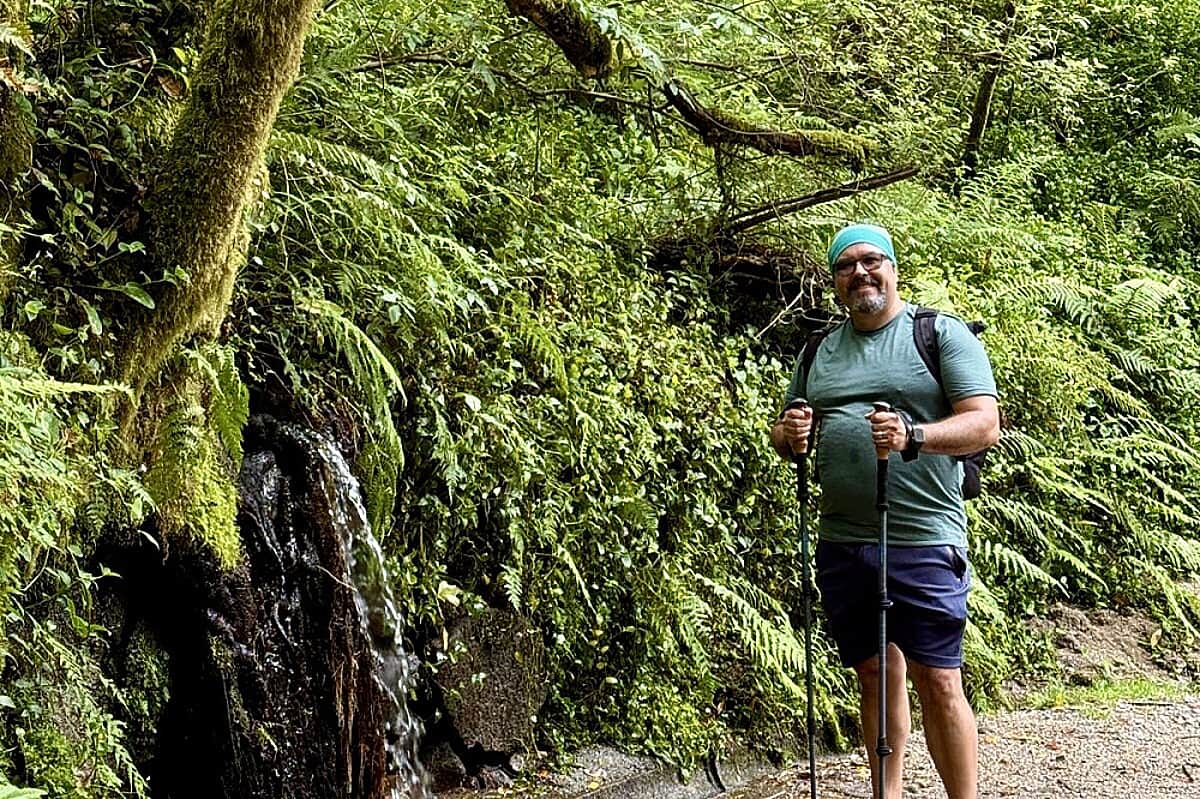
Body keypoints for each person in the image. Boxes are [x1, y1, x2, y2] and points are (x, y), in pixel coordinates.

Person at [769, 223, 1000, 799]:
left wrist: (912, 435)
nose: (860, 274)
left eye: (872, 261)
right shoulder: (820, 349)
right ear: (835, 281)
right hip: (843, 536)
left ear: (893, 267)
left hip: (923, 534)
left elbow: (984, 424)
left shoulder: (937, 334)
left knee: (938, 676)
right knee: (873, 672)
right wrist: (790, 433)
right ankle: (885, 795)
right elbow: (788, 428)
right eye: (845, 266)